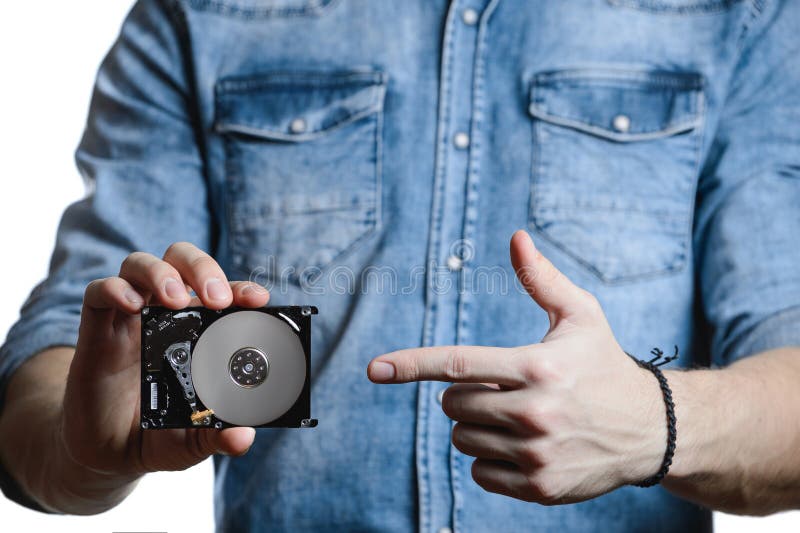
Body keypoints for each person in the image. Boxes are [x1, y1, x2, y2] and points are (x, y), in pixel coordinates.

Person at [1, 0, 799, 531]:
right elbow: (56, 358)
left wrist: (655, 422)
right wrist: (80, 448)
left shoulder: (738, 15)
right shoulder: (199, 12)